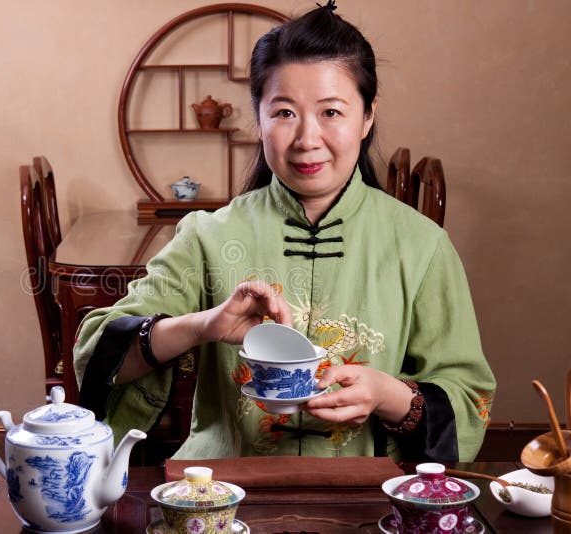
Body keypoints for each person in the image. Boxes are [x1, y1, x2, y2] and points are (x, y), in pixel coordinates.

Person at [73, 1, 495, 463]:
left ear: (367, 117)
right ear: (259, 118)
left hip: (366, 493)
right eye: (285, 113)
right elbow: (95, 354)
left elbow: (470, 400)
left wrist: (388, 394)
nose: (307, 139)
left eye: (331, 112)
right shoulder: (207, 235)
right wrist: (203, 326)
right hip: (224, 490)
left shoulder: (421, 245)